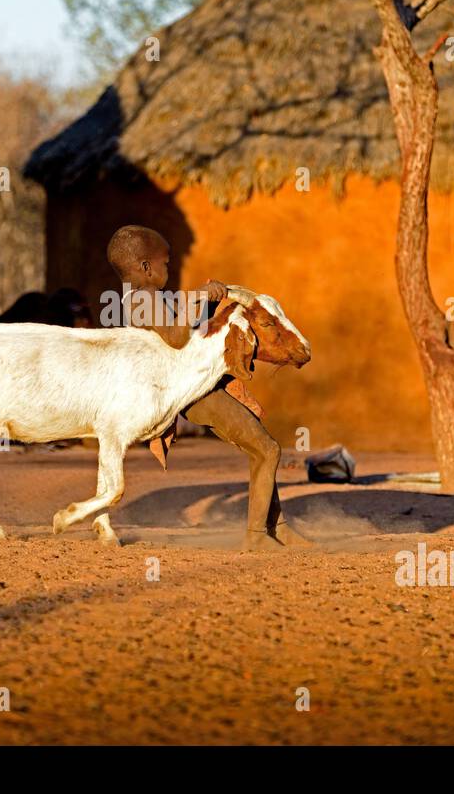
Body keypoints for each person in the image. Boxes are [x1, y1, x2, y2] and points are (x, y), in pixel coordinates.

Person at [105, 225, 312, 550]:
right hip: (193, 391)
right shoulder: (143, 297)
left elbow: (178, 333)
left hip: (193, 385)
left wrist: (200, 305)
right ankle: (258, 536)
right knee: (266, 449)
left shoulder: (140, 299)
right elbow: (176, 339)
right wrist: (199, 297)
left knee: (259, 444)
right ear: (146, 267)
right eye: (166, 262)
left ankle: (276, 527)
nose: (168, 269)